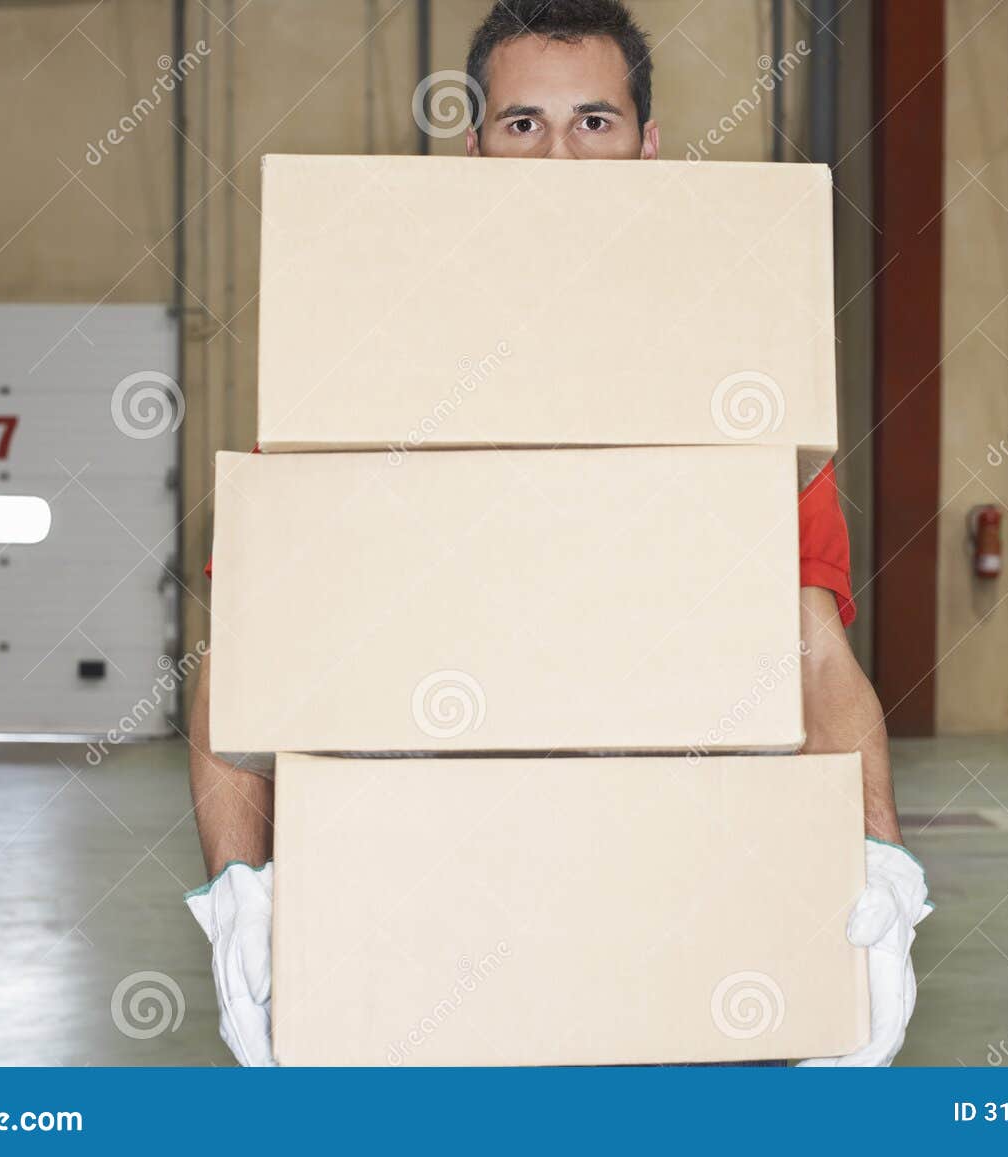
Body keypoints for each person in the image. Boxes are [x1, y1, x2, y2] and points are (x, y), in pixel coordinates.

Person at [185, 0, 931, 1069]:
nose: (561, 155)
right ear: (475, 146)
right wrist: (241, 886)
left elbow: (810, 647)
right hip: (414, 926)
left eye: (594, 121)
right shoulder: (364, 373)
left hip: (663, 915)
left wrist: (877, 856)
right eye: (523, 124)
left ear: (648, 146)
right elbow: (251, 656)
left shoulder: (739, 401)